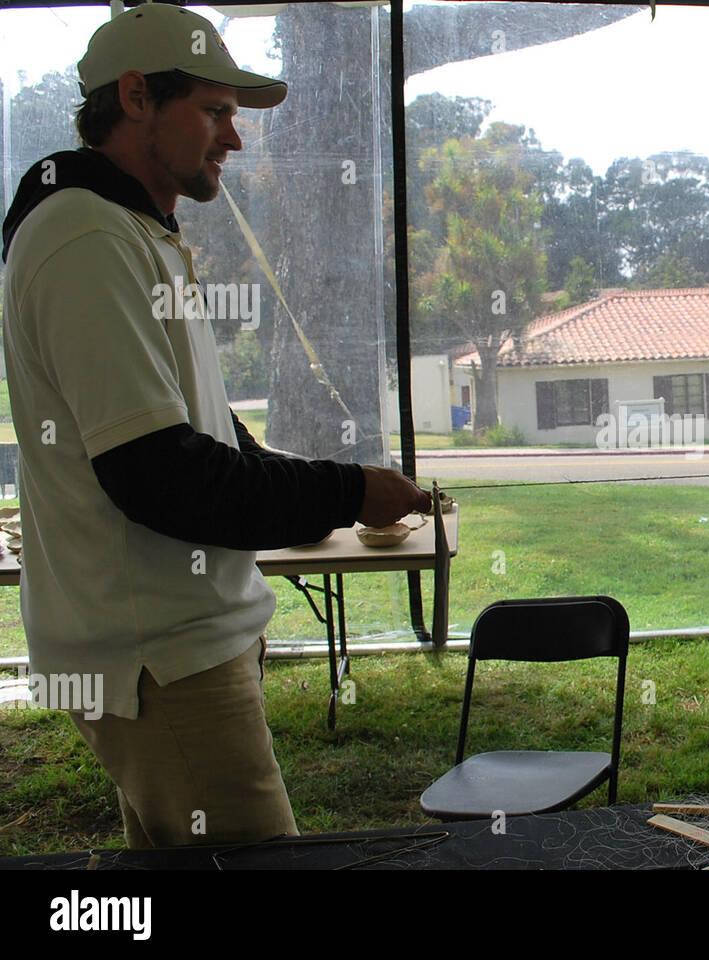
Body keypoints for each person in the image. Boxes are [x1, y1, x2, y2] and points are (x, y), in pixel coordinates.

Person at [0, 5, 431, 848]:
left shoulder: (130, 229)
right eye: (214, 110)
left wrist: (308, 486)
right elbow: (162, 474)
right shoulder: (88, 238)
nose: (234, 138)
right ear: (135, 97)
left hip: (167, 650)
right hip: (161, 657)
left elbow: (205, 432)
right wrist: (348, 492)